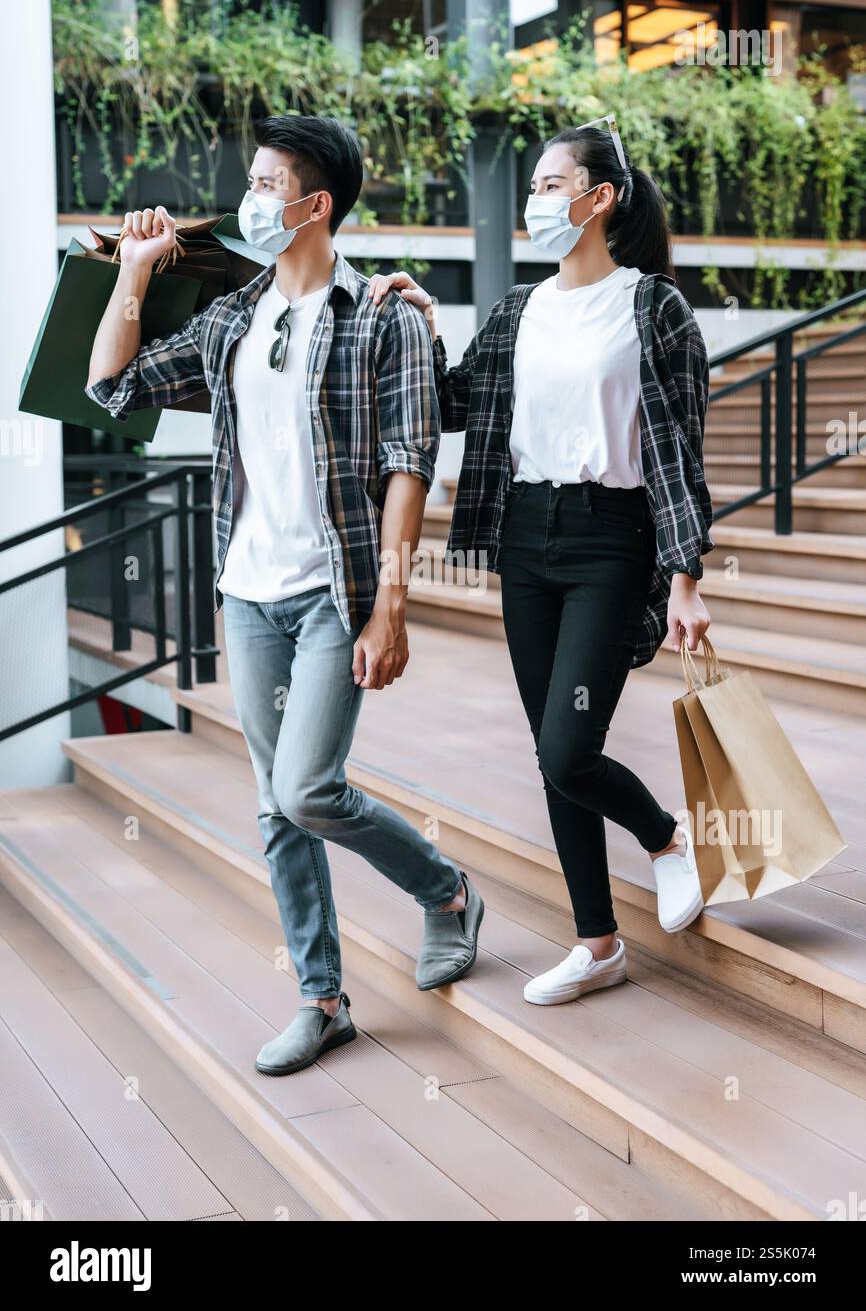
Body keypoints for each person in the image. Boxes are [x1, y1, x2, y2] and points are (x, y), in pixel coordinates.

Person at [85, 114, 484, 1074]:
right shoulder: (234, 315)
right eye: (252, 179)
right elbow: (111, 387)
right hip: (246, 592)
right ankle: (323, 999)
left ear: (316, 205)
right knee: (276, 803)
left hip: (334, 591)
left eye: (268, 183)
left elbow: (409, 463)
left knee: (306, 788)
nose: (249, 196)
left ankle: (446, 891)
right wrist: (134, 272)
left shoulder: (386, 316)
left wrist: (393, 603)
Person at [369, 115, 713, 1007]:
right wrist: (420, 323)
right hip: (525, 534)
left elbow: (679, 448)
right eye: (534, 187)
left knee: (569, 745)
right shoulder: (519, 309)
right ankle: (597, 944)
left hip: (612, 534)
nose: (536, 202)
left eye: (551, 185)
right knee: (553, 751)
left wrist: (684, 577)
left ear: (599, 199)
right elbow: (454, 404)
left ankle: (667, 840)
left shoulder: (652, 306)